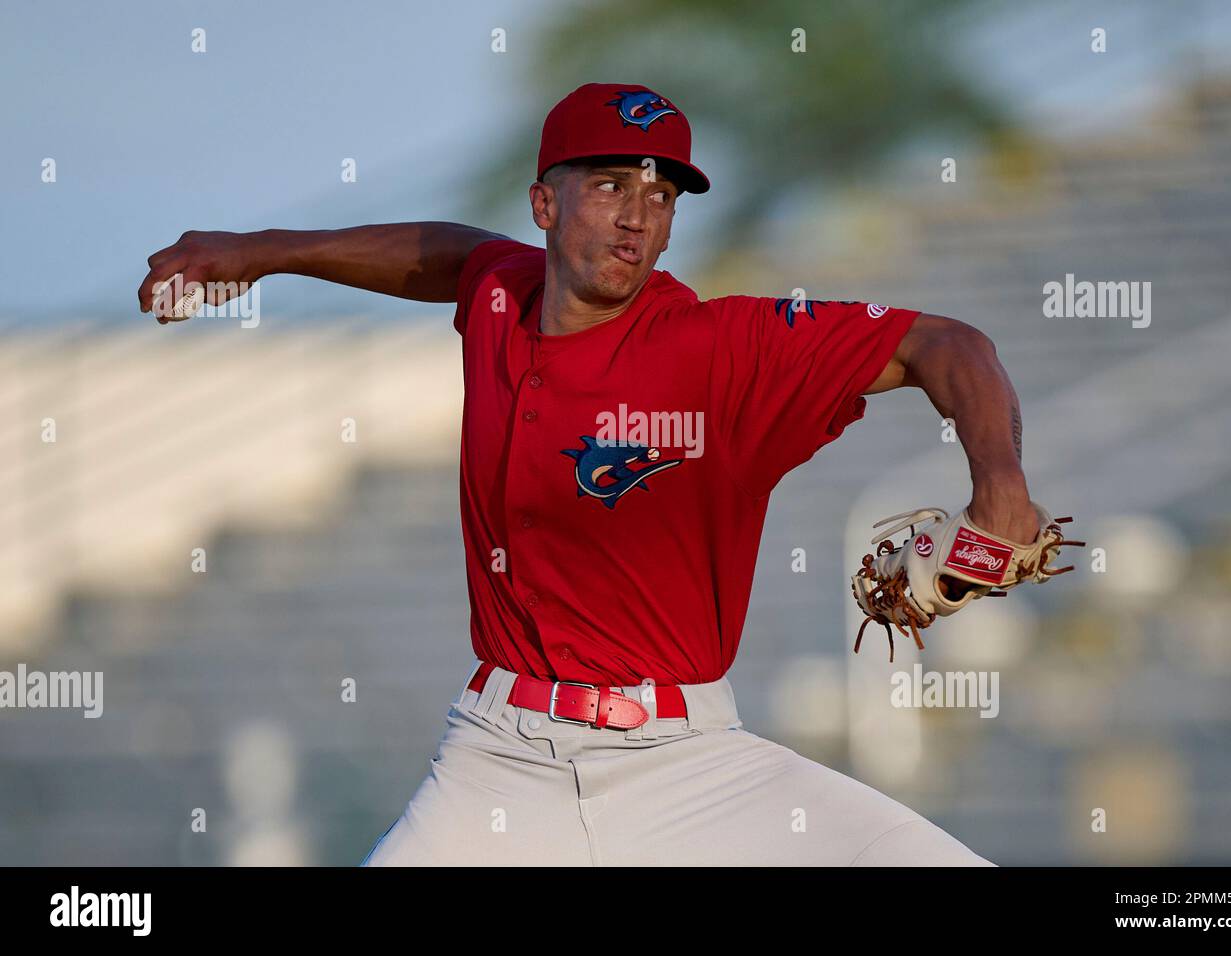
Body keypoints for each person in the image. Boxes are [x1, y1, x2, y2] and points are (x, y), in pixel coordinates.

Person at [139, 83, 1036, 866]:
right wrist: (260, 251)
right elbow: (446, 256)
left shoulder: (719, 347)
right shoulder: (499, 296)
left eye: (663, 192)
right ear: (544, 203)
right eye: (610, 184)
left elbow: (945, 342)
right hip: (499, 763)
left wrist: (997, 487)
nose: (639, 215)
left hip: (692, 768)